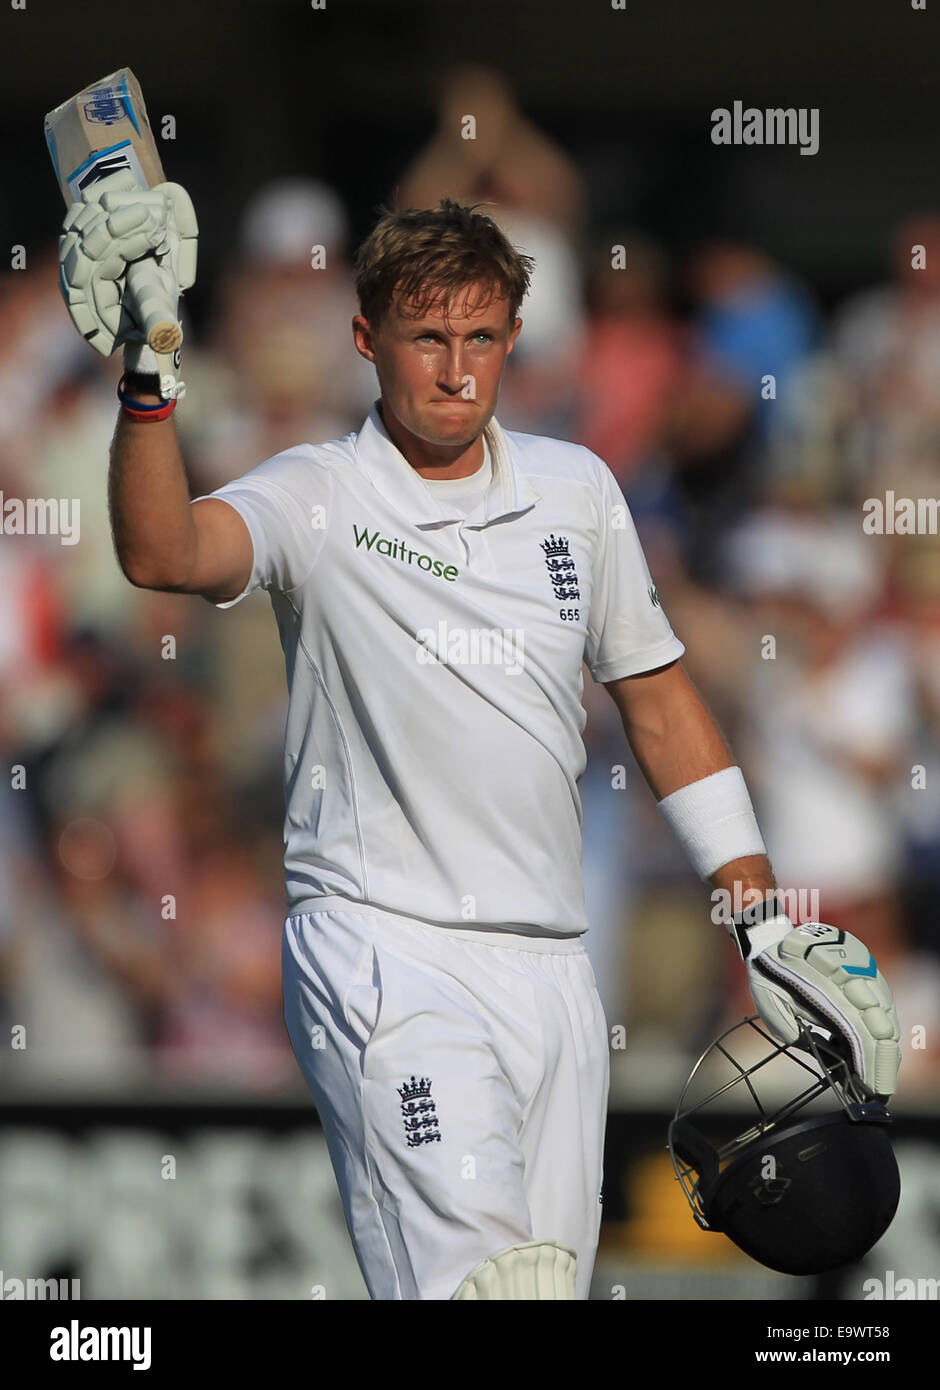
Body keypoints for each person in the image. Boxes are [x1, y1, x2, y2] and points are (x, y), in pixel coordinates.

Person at [56, 182, 901, 1300]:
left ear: (511, 337)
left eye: (481, 338)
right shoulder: (317, 492)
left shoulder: (576, 490)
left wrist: (757, 912)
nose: (456, 370)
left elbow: (654, 696)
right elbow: (166, 552)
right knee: (497, 1289)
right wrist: (147, 379)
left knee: (538, 1290)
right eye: (426, 339)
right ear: (366, 339)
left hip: (554, 969)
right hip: (385, 956)